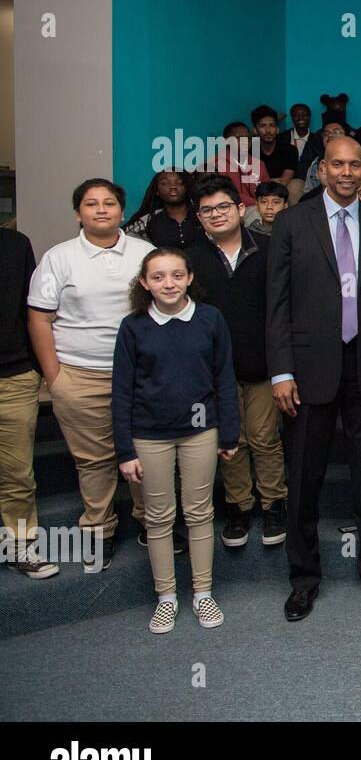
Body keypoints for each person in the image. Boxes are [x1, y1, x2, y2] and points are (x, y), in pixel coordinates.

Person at [266, 135, 361, 622]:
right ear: (322, 170)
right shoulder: (290, 223)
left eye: (355, 166)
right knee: (304, 479)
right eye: (337, 165)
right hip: (306, 373)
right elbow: (277, 304)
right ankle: (304, 579)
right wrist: (281, 370)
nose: (347, 173)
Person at [28, 179, 152, 569]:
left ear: (121, 210)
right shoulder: (59, 257)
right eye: (91, 203)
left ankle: (152, 523)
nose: (101, 210)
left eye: (110, 203)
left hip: (141, 376)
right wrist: (54, 377)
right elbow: (39, 316)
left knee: (147, 453)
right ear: (78, 212)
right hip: (81, 376)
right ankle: (100, 530)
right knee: (94, 461)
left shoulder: (145, 252)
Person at [113, 248, 239, 633]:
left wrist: (230, 431)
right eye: (158, 277)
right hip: (149, 435)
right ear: (144, 283)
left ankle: (203, 594)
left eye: (176, 275)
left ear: (188, 278)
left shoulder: (210, 318)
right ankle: (166, 597)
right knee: (159, 517)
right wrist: (125, 449)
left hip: (201, 432)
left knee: (199, 513)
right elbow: (121, 392)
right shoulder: (133, 327)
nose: (168, 283)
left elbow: (224, 379)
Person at [188, 177, 289, 549]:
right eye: (207, 210)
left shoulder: (269, 248)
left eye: (223, 207)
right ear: (199, 218)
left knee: (264, 438)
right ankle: (239, 506)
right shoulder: (191, 260)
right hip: (213, 370)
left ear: (241, 209)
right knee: (231, 440)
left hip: (262, 364)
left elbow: (284, 309)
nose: (216, 215)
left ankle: (274, 502)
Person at [1, 226, 57, 578]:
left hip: (13, 376)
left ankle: (20, 546)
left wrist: (37, 369)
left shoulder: (16, 244)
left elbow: (32, 309)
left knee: (16, 472)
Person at [124, 169, 203, 249]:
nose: (173, 187)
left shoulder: (204, 215)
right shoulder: (147, 222)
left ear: (188, 187)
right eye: (165, 183)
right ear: (157, 191)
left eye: (180, 183)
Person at [252, 104, 299, 186]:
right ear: (255, 130)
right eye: (262, 126)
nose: (268, 130)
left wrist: (259, 182)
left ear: (277, 129)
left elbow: (284, 181)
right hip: (257, 193)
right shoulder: (251, 151)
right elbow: (249, 183)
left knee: (296, 185)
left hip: (280, 193)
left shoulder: (289, 150)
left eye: (272, 125)